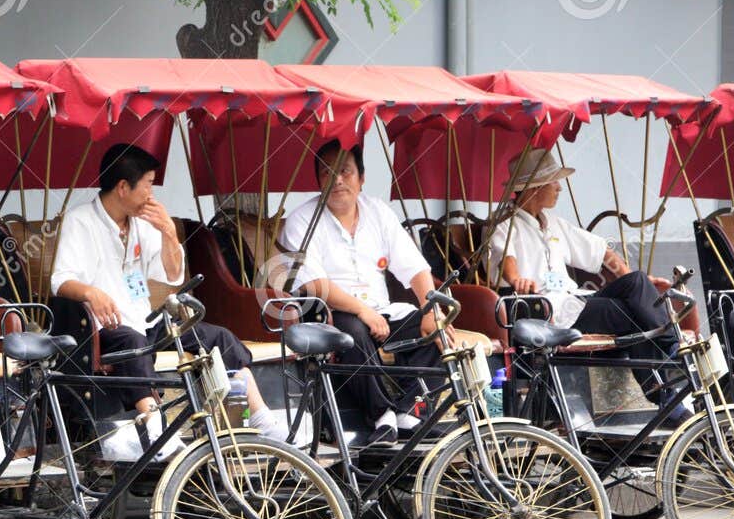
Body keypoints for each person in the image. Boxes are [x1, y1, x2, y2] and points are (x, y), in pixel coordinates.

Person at [50, 143, 253, 448]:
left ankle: (255, 415)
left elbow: (171, 274)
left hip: (144, 322)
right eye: (147, 185)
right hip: (101, 329)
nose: (151, 194)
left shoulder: (142, 223)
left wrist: (169, 233)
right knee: (134, 342)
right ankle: (157, 429)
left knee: (217, 337)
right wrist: (91, 292)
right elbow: (60, 281)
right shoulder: (80, 220)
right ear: (122, 187)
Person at [486, 148, 682, 410]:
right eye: (554, 182)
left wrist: (641, 284)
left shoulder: (554, 223)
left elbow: (602, 250)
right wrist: (517, 279)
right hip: (550, 310)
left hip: (577, 300)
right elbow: (505, 258)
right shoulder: (503, 225)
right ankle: (667, 380)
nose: (559, 188)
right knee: (637, 317)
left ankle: (668, 344)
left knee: (636, 282)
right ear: (534, 188)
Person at [279, 139, 441, 447]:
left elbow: (414, 266)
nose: (337, 180)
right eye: (328, 173)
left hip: (382, 310)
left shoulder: (378, 211)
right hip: (331, 311)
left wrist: (431, 308)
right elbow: (315, 284)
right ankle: (382, 416)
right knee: (352, 331)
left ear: (361, 178)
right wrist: (362, 310)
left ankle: (409, 411)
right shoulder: (302, 220)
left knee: (434, 328)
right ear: (318, 181)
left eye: (346, 172)